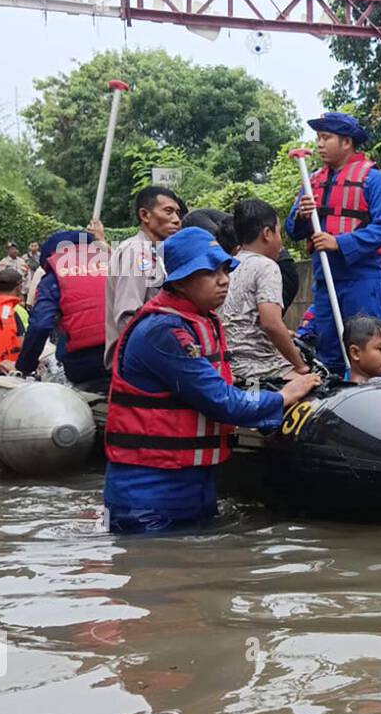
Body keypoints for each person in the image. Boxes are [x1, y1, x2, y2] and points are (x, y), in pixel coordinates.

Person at [103, 226, 320, 533]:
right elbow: (222, 401)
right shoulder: (163, 332)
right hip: (148, 494)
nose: (223, 280)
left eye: (224, 269)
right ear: (178, 281)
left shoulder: (202, 320)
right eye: (209, 272)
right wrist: (285, 395)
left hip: (193, 487)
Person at [285, 112, 381, 369]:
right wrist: (302, 216)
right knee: (328, 351)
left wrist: (340, 243)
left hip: (362, 280)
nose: (319, 144)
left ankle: (374, 401)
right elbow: (293, 230)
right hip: (325, 281)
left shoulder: (374, 179)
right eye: (318, 138)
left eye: (326, 137)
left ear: (347, 142)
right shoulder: (311, 181)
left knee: (370, 348)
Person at [221, 199, 310, 385]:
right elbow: (271, 323)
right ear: (267, 234)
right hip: (261, 367)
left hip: (228, 366)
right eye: (279, 232)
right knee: (317, 379)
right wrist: (300, 366)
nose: (281, 241)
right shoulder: (267, 266)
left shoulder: (228, 266)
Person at [14, 229, 109, 388]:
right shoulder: (115, 264)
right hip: (127, 356)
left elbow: (40, 325)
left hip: (84, 363)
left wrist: (24, 366)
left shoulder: (53, 278)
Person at [105, 185, 184, 369]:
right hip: (140, 364)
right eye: (168, 211)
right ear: (145, 215)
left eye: (178, 213)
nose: (176, 220)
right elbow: (128, 315)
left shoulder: (155, 253)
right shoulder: (137, 251)